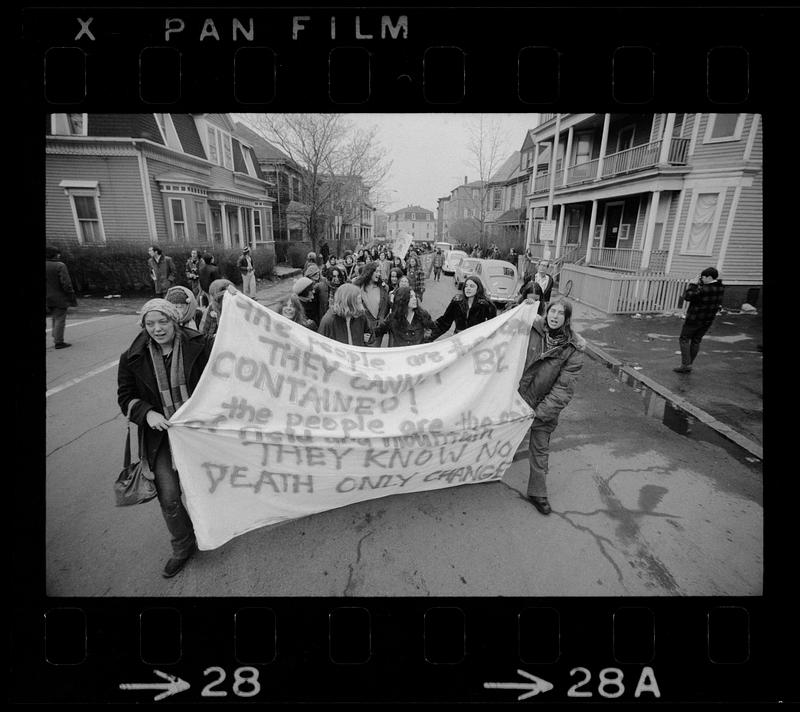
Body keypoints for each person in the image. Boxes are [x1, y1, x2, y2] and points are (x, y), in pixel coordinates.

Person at [117, 298, 214, 577]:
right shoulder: (132, 357)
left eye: (163, 322)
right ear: (143, 326)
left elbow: (224, 375)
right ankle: (183, 546)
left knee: (207, 488)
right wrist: (147, 414)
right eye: (150, 324)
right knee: (170, 496)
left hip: (197, 434)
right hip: (160, 438)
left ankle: (212, 528)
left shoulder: (202, 345)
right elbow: (126, 397)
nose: (157, 329)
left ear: (175, 321)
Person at [517, 299, 585, 515]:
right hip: (517, 398)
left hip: (542, 406)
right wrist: (522, 306)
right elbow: (507, 326)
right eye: (552, 311)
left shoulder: (572, 350)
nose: (555, 316)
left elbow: (563, 389)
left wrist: (540, 414)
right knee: (500, 436)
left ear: (567, 319)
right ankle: (484, 470)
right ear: (546, 313)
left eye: (560, 313)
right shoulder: (533, 328)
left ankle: (537, 492)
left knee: (539, 449)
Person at [674, 267, 725, 374]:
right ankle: (689, 364)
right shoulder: (720, 288)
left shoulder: (703, 289)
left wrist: (692, 284)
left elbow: (688, 296)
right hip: (708, 320)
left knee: (684, 339)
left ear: (709, 277)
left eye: (703, 278)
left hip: (694, 319)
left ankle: (685, 364)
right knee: (696, 341)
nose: (702, 279)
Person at [430, 276, 497, 339]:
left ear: (478, 288)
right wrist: (429, 336)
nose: (468, 288)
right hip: (458, 339)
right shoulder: (457, 302)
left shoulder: (486, 305)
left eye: (472, 286)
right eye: (466, 286)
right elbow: (444, 322)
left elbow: (493, 325)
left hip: (476, 340)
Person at [45, 245, 78, 350]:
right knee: (59, 318)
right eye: (58, 253)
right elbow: (66, 283)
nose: (59, 255)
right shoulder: (59, 265)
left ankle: (56, 335)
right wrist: (71, 296)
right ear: (54, 254)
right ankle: (59, 341)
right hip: (58, 296)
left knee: (55, 317)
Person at [353, 261, 389, 346]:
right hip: (364, 328)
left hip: (378, 329)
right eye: (376, 271)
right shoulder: (358, 287)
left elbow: (386, 307)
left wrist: (382, 321)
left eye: (380, 271)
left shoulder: (384, 288)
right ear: (369, 272)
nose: (379, 274)